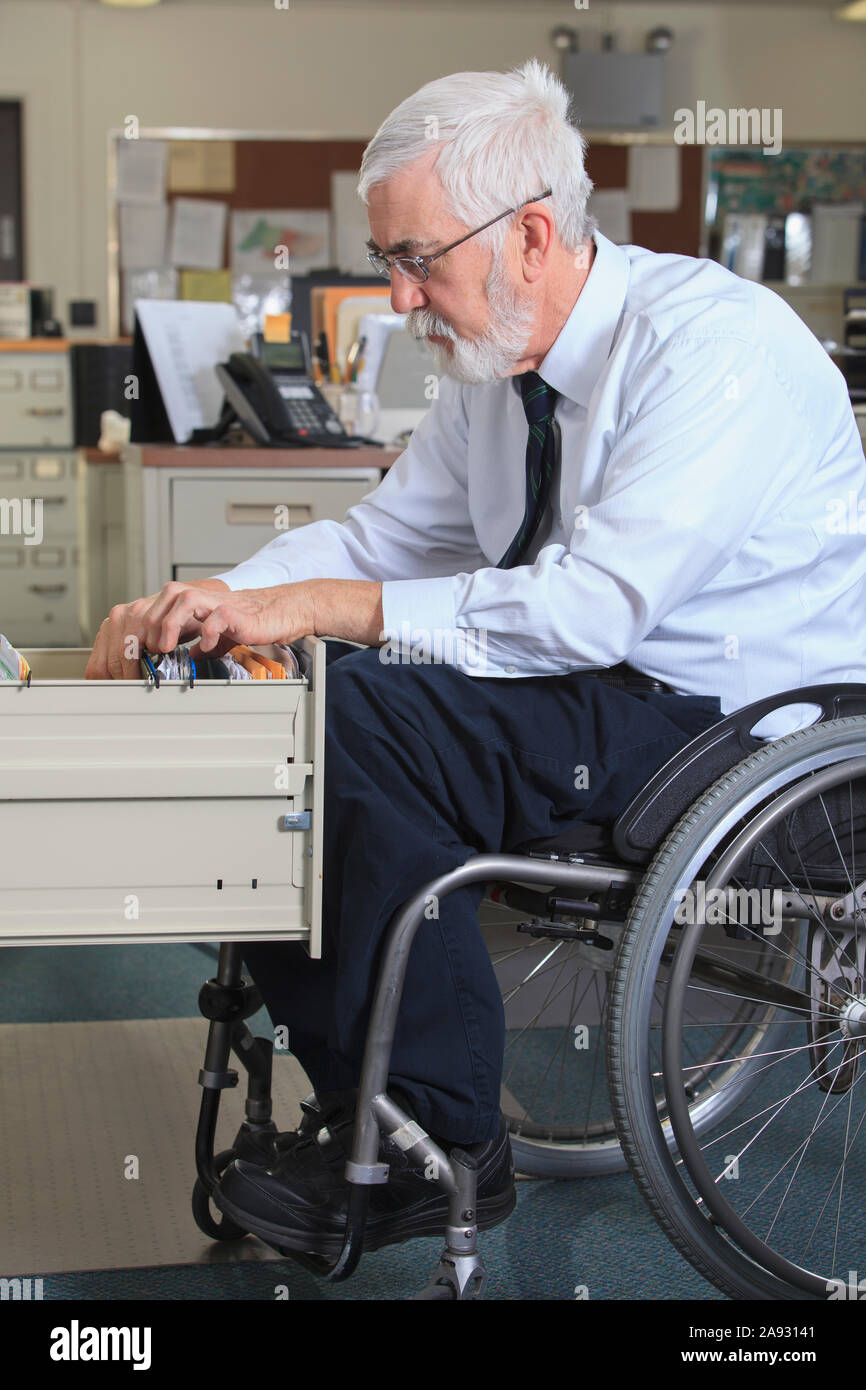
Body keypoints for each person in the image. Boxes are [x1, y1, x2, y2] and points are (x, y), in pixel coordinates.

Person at [86, 60, 866, 1258]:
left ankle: (433, 1135)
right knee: (292, 701)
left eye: (413, 260)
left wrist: (325, 609)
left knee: (349, 717)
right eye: (386, 260)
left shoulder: (714, 349)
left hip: (727, 723)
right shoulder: (494, 368)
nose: (397, 298)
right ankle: (371, 1111)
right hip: (604, 695)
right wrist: (212, 602)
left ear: (532, 235)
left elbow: (594, 611)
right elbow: (386, 536)